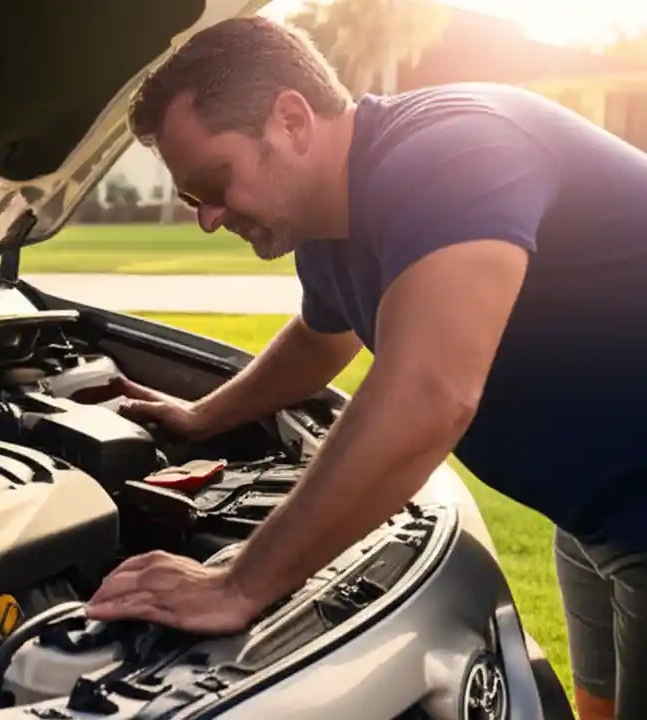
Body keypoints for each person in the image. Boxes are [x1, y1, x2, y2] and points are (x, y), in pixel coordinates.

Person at [81, 15, 647, 720]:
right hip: (596, 515)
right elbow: (324, 339)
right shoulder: (331, 222)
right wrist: (202, 416)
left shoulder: (449, 151)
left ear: (291, 120)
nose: (207, 218)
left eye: (214, 184)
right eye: (194, 201)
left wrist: (239, 584)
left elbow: (430, 394)